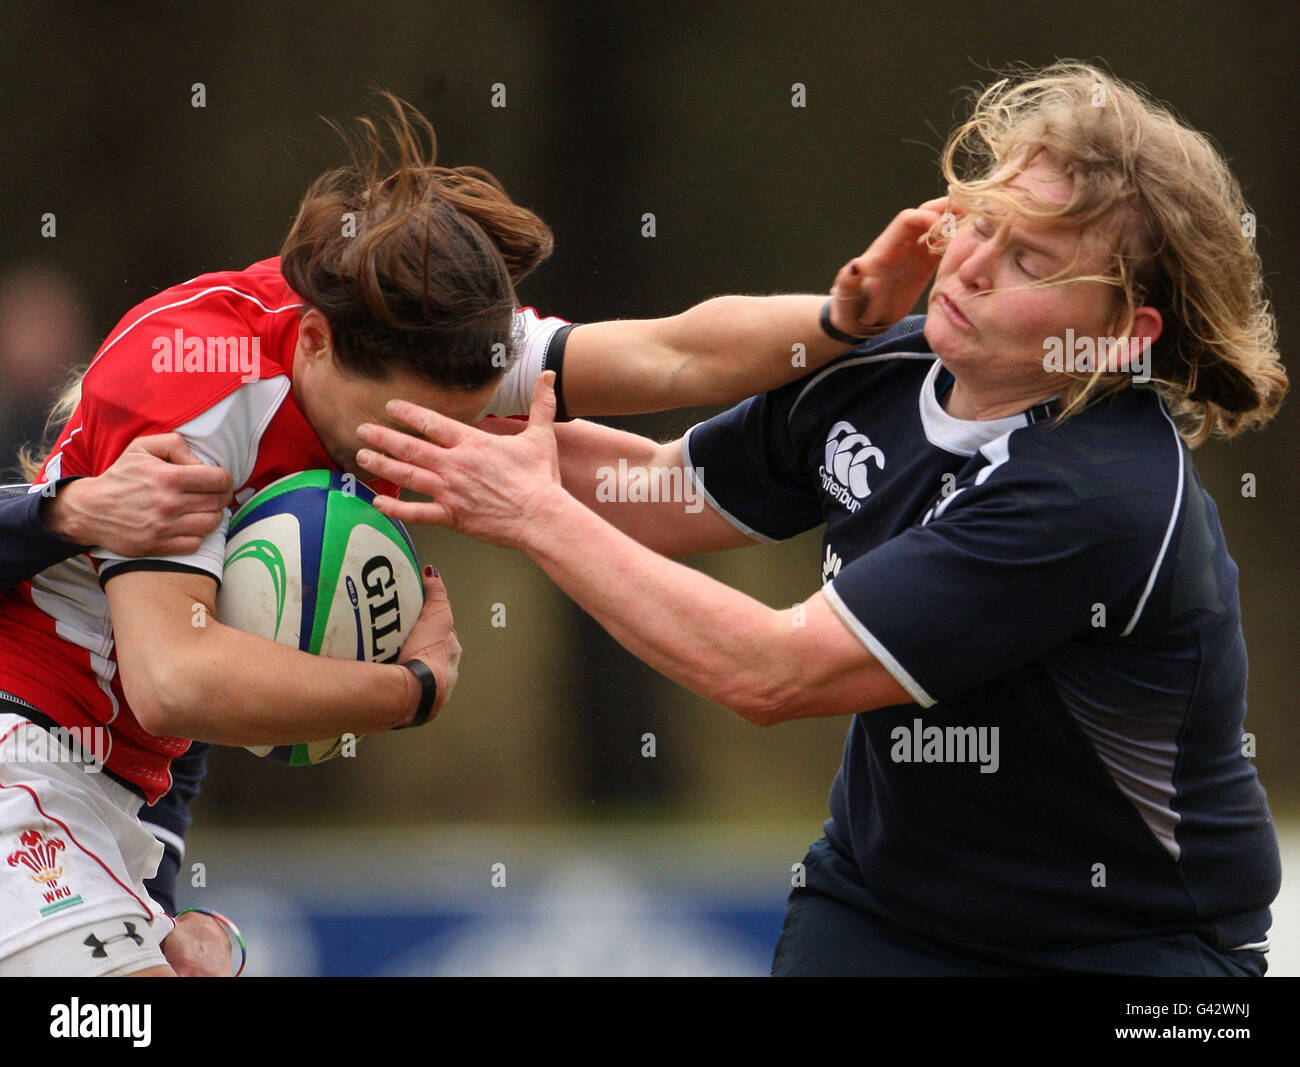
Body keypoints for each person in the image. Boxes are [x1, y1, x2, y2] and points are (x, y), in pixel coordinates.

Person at [354, 63, 1286, 976]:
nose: (970, 268)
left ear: (1125, 332)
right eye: (984, 225)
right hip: (887, 914)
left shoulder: (1097, 495)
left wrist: (534, 513)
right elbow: (661, 489)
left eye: (1030, 261)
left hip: (1137, 951)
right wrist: (388, 423)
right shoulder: (888, 365)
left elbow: (772, 670)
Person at [0, 93, 875, 977]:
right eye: (405, 426)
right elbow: (173, 682)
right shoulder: (196, 378)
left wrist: (849, 320)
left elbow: (673, 356)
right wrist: (406, 690)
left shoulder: (434, 343)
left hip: (118, 802)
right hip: (25, 758)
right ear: (313, 340)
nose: (427, 447)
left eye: (452, 424)